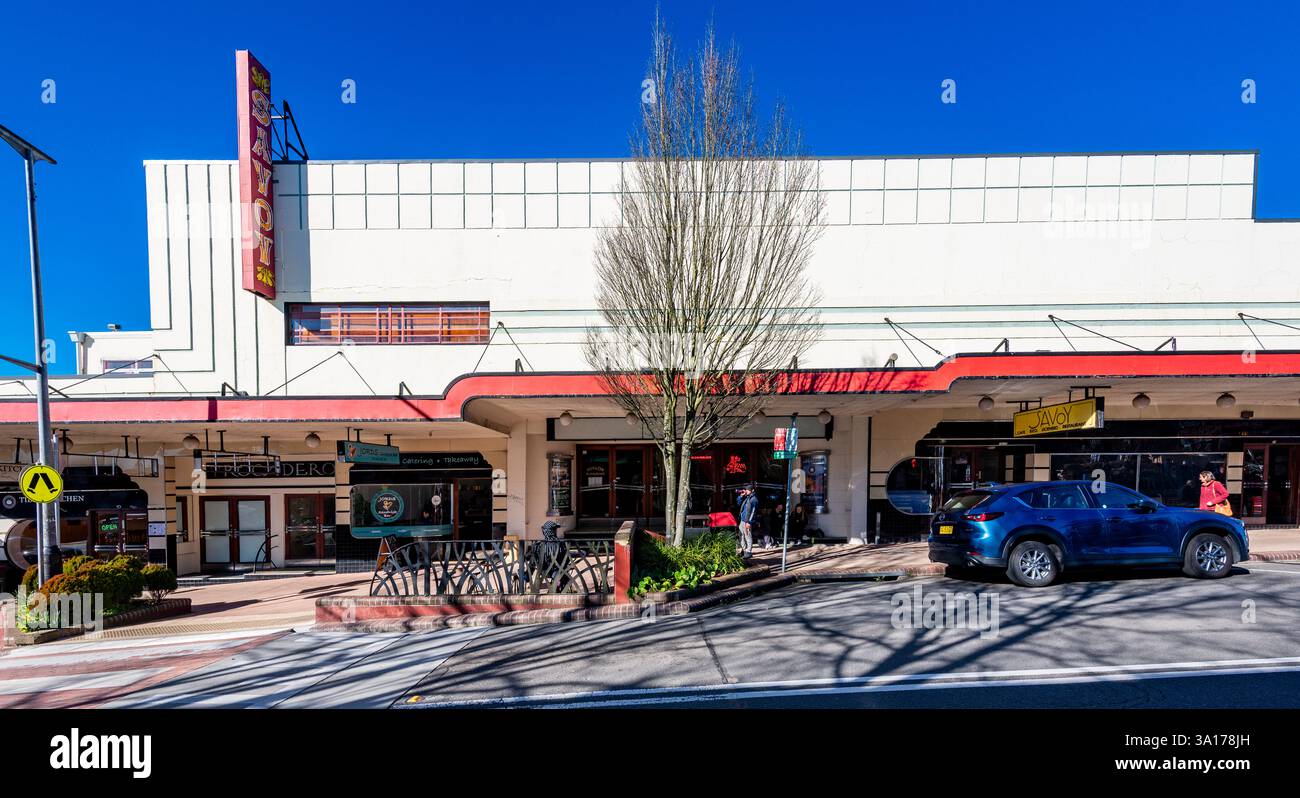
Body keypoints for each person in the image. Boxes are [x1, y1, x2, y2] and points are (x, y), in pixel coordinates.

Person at [736, 485, 758, 557]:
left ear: (752, 490)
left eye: (748, 490)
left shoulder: (754, 499)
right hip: (742, 520)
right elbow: (738, 503)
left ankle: (749, 551)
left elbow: (753, 512)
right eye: (746, 490)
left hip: (747, 521)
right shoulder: (747, 498)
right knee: (741, 535)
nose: (746, 491)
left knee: (747, 536)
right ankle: (744, 549)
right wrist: (741, 496)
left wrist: (749, 522)